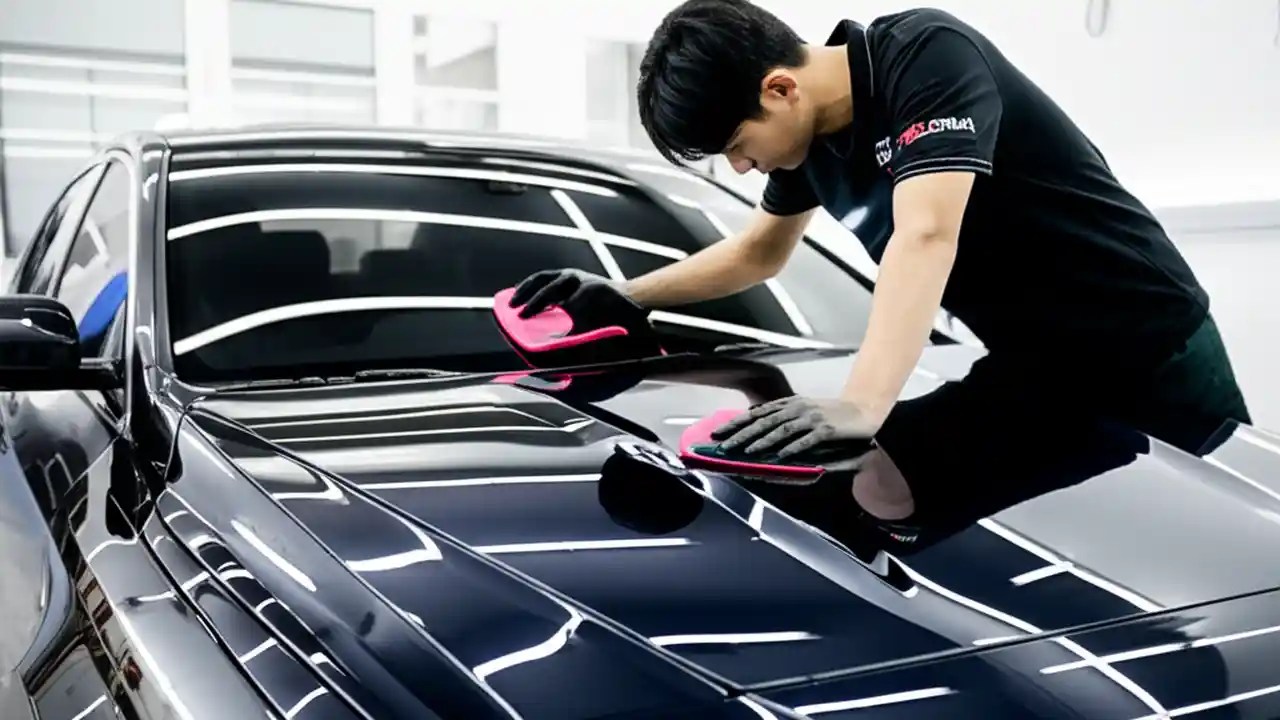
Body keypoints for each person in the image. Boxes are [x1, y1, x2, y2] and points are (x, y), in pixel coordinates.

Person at [508, 0, 1250, 538]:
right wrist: (626, 295)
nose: (741, 166)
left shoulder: (924, 56)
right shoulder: (812, 142)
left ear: (780, 88)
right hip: (1030, 371)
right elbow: (759, 252)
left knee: (1218, 544)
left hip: (1149, 350)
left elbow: (926, 233)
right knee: (900, 514)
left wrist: (862, 405)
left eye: (737, 143)